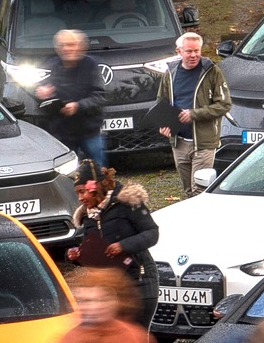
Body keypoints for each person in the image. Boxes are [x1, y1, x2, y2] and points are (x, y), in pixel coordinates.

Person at [69, 174, 160, 322]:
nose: (79, 198)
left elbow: (152, 233)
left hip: (140, 282)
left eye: (82, 191)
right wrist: (77, 255)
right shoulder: (87, 216)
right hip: (110, 288)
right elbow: (93, 250)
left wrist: (123, 246)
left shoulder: (127, 203)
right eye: (77, 193)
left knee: (135, 337)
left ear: (95, 189)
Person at [154, 32, 231, 195]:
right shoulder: (170, 73)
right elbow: (161, 102)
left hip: (204, 142)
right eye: (189, 51)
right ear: (179, 51)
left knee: (199, 190)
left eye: (197, 50)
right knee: (188, 190)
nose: (194, 55)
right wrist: (163, 124)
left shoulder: (212, 71)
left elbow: (224, 104)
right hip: (179, 141)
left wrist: (194, 114)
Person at [35, 29, 111, 175]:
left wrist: (78, 106)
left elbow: (100, 97)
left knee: (98, 171)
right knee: (65, 174)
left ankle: (103, 195)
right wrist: (42, 95)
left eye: (71, 45)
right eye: (62, 45)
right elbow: (39, 98)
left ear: (81, 47)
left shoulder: (91, 65)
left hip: (89, 130)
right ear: (57, 48)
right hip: (62, 131)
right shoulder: (50, 66)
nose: (67, 49)